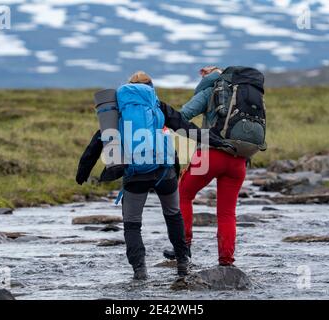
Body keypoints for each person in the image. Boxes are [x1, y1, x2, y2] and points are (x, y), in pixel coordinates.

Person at [76, 71, 231, 280]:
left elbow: (99, 140)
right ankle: (183, 263)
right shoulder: (158, 105)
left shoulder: (119, 110)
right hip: (164, 171)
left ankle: (140, 271)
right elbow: (187, 129)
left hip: (133, 173)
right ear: (151, 88)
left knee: (132, 224)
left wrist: (83, 170)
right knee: (173, 215)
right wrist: (217, 141)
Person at [163, 66, 248, 266]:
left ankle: (183, 248)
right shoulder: (244, 95)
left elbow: (183, 114)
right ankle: (226, 260)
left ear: (208, 77)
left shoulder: (210, 91)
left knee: (183, 195)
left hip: (209, 154)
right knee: (227, 213)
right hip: (238, 159)